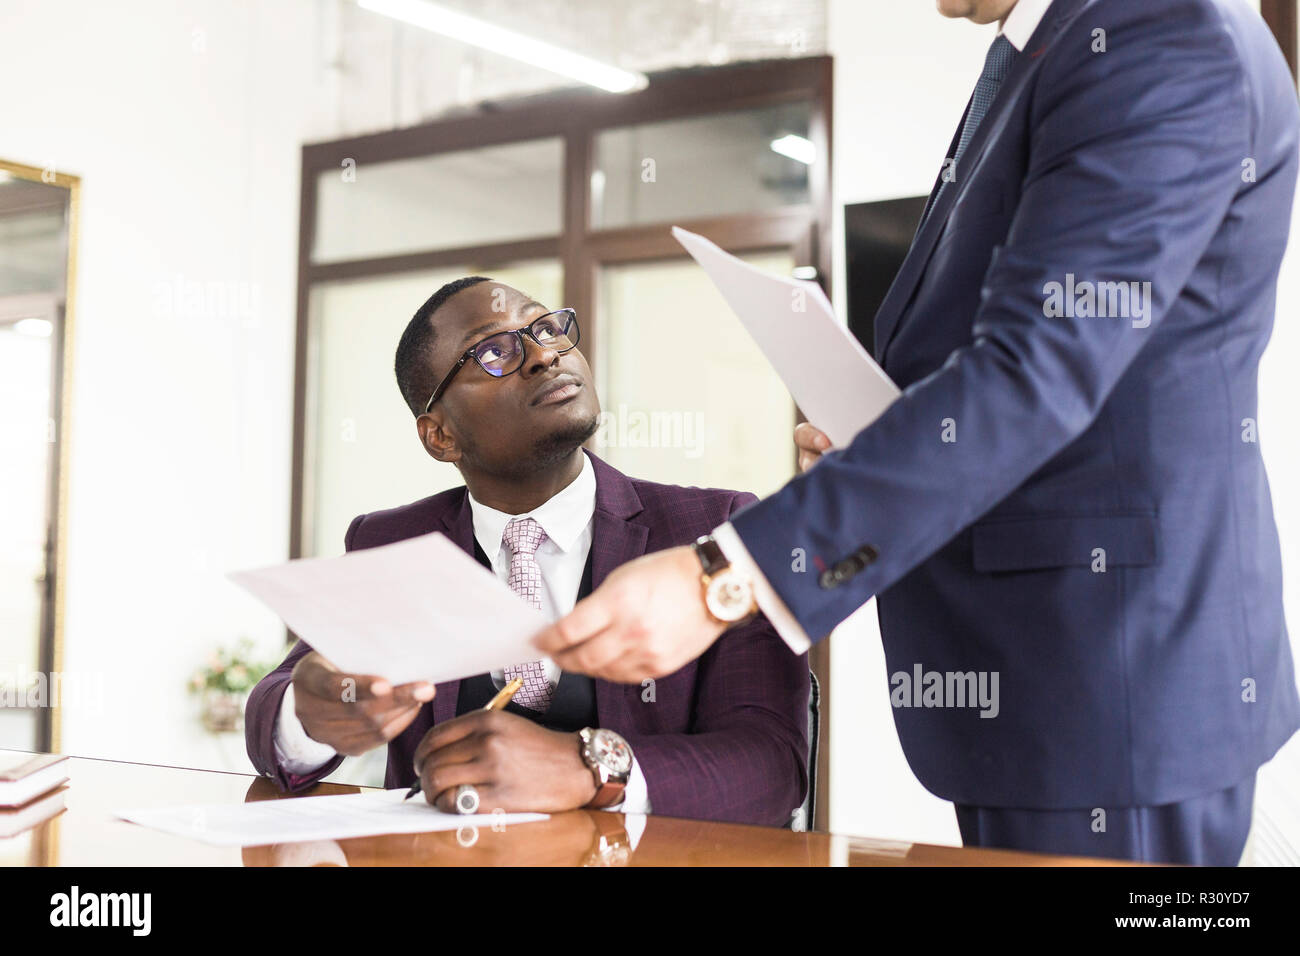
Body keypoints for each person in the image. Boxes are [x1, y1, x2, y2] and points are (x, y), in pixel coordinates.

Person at [535, 0, 1300, 864]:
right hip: (1051, 674)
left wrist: (726, 577)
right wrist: (892, 431)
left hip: (1113, 679)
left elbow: (1035, 372)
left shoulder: (1158, 35)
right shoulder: (1040, 49)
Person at [245, 276, 810, 826]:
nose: (544, 355)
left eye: (547, 328)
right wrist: (308, 715)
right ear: (439, 435)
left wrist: (589, 770)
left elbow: (772, 766)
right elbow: (279, 704)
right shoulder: (394, 541)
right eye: (493, 351)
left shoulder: (712, 529)